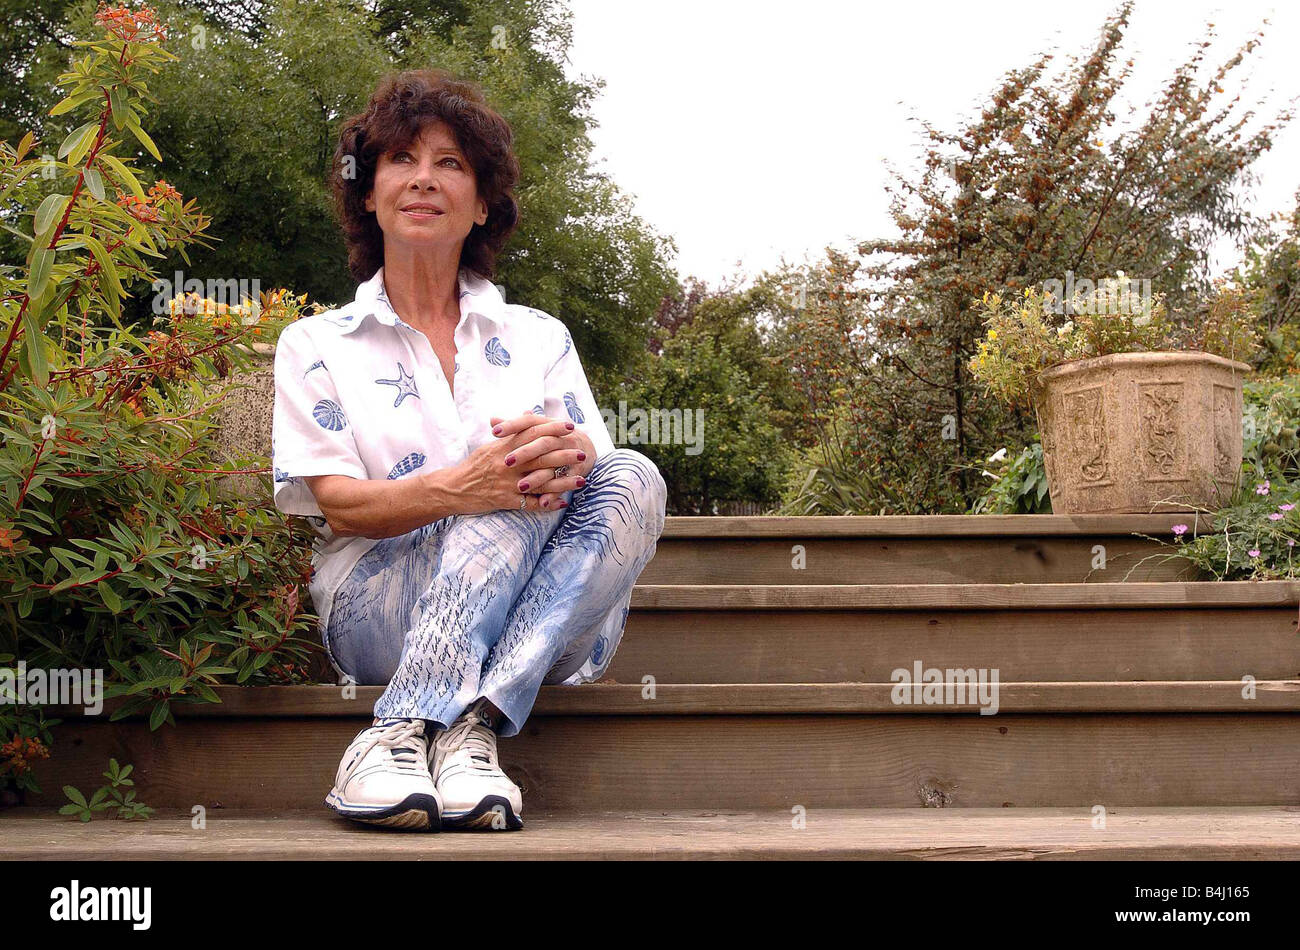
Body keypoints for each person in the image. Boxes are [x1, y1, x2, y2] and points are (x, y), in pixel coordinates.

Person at [270, 68, 667, 832]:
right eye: (401, 160)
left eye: (450, 163)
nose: (424, 180)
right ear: (369, 192)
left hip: (544, 621)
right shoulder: (316, 343)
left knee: (628, 473)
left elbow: (595, 482)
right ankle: (419, 729)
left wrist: (561, 461)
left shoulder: (538, 336)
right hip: (379, 607)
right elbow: (338, 505)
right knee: (512, 481)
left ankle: (459, 728)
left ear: (482, 203)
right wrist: (463, 489)